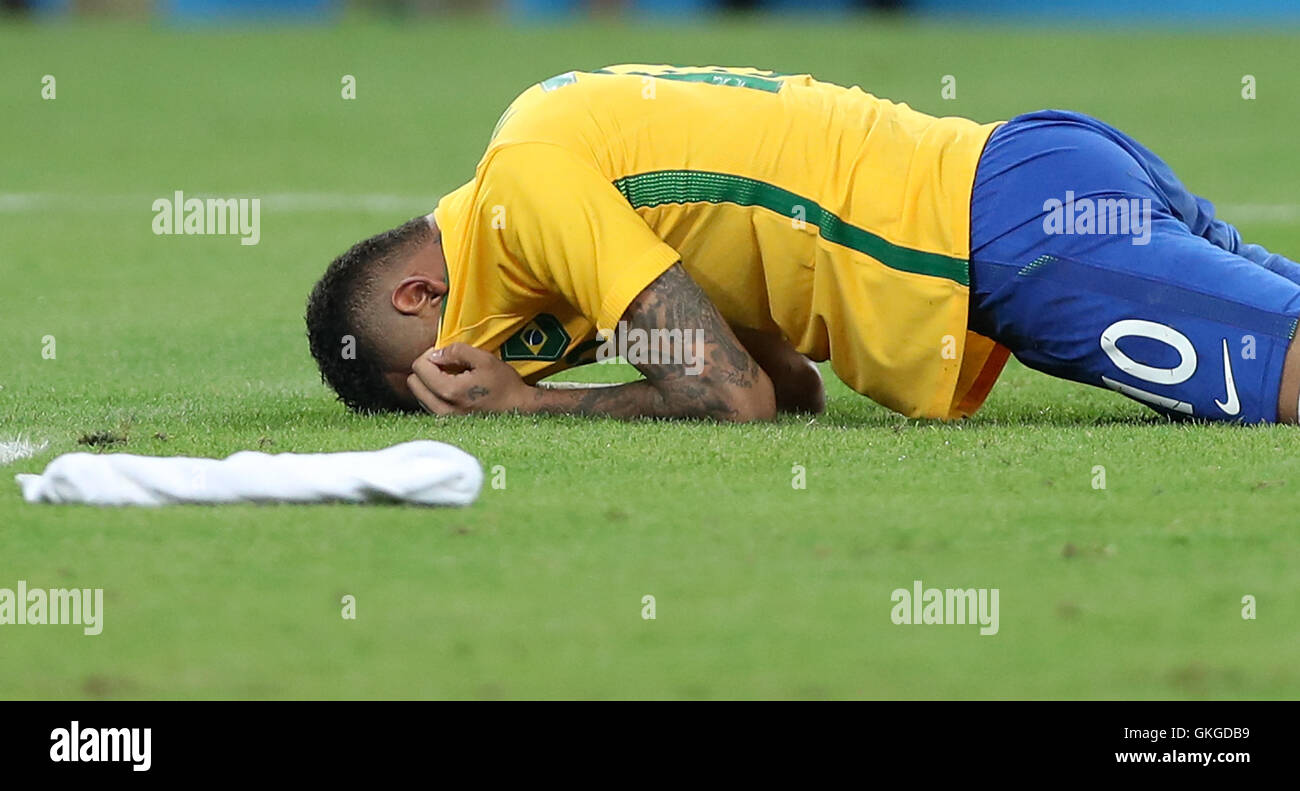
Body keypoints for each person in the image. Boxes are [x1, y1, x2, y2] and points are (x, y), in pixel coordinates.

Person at [306, 64, 1300, 423]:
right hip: (1033, 169)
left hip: (1011, 236)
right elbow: (783, 386)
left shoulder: (526, 191)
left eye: (449, 370)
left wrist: (529, 403)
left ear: (416, 299)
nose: (491, 367)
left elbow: (728, 401)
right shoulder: (538, 210)